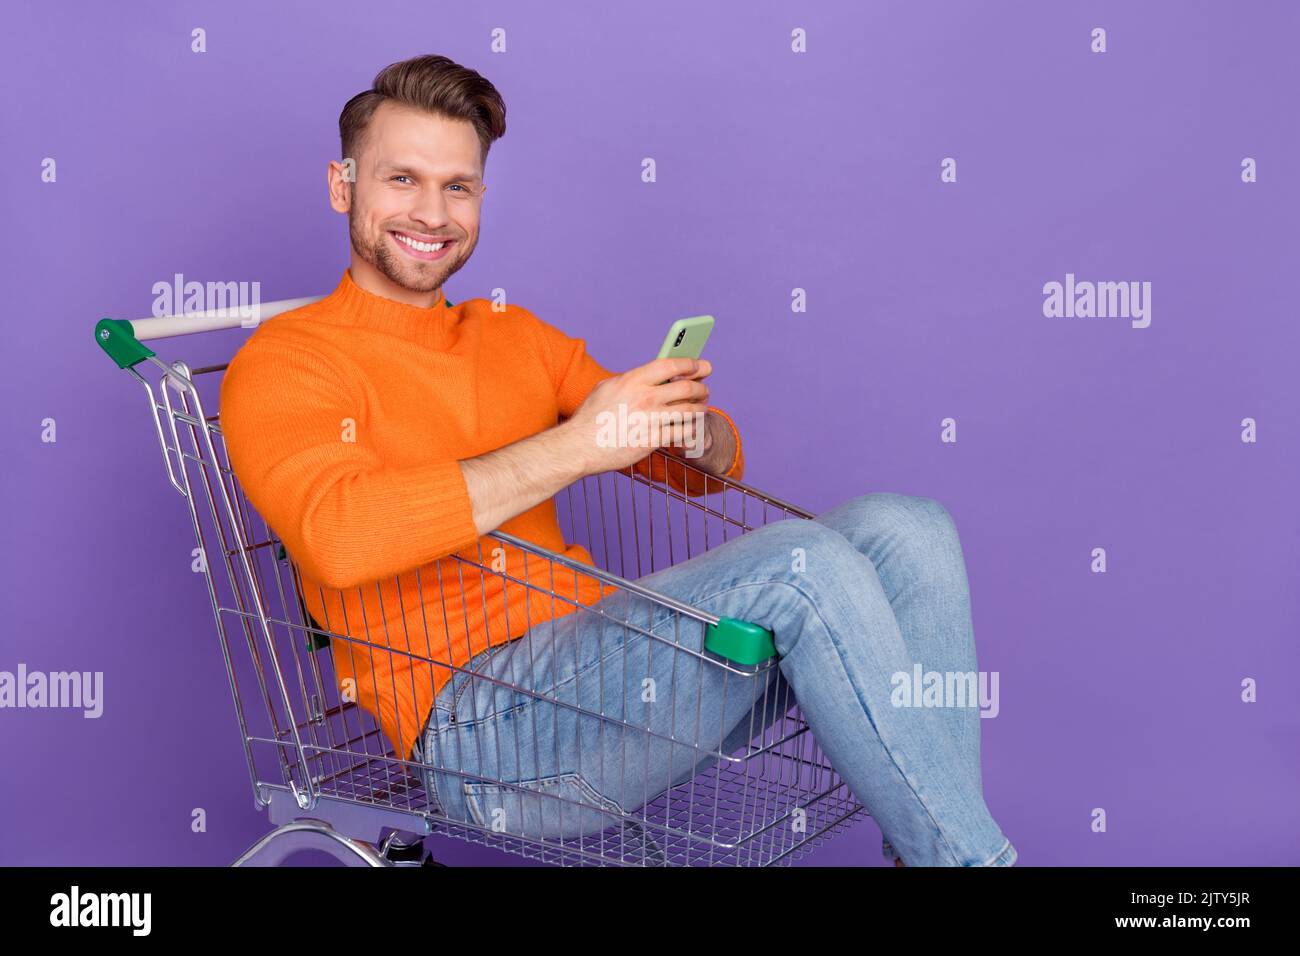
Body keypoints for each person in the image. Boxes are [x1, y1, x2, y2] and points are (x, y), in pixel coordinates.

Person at [220, 54, 1016, 867]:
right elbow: (339, 540)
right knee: (799, 566)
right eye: (402, 179)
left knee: (908, 527)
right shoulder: (288, 362)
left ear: (481, 198)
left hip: (607, 671)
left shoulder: (514, 336)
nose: (432, 211)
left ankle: (943, 852)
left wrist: (691, 432)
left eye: (457, 186)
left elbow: (696, 469)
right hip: (481, 734)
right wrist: (576, 444)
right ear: (342, 184)